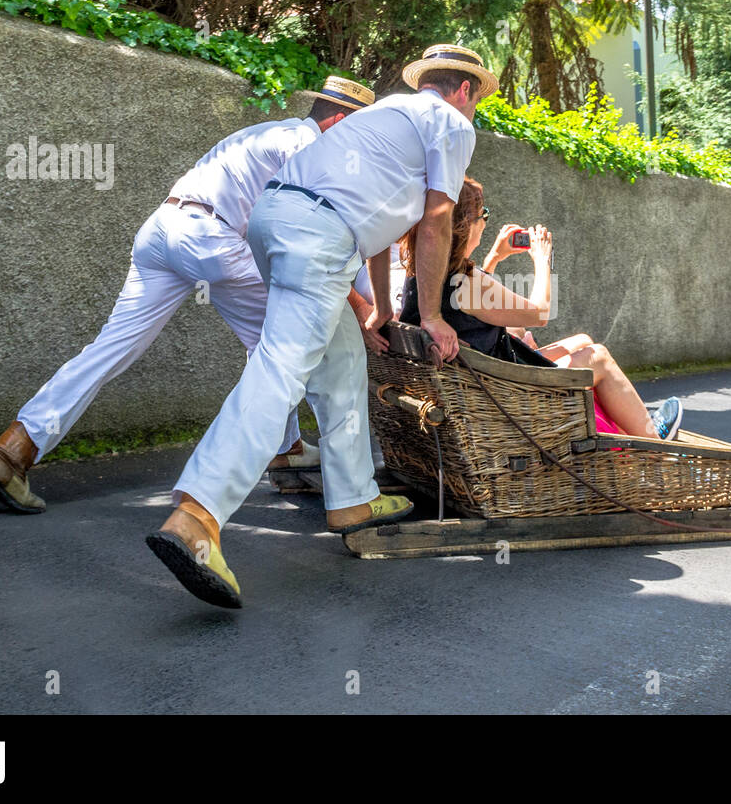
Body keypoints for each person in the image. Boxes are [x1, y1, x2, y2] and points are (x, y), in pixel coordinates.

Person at [147, 44, 498, 609]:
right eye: (476, 100)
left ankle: (353, 499)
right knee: (283, 368)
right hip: (321, 237)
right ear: (464, 91)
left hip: (277, 220)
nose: (474, 110)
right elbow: (436, 219)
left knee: (341, 365)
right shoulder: (452, 124)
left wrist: (382, 308)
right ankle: (197, 517)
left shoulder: (387, 114)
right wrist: (430, 315)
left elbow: (383, 231)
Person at [0, 77, 375, 514]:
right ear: (337, 120)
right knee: (283, 343)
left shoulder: (267, 131)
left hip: (164, 229)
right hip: (213, 239)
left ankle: (13, 450)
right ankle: (305, 466)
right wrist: (360, 303)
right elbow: (308, 236)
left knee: (110, 349)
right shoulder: (306, 145)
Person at [397, 178, 683, 441]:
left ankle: (624, 429)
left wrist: (494, 257)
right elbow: (540, 313)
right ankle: (654, 442)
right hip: (508, 393)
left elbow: (473, 312)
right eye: (483, 215)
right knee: (600, 358)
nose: (484, 222)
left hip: (483, 380)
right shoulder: (468, 283)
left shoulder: (421, 273)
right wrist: (542, 259)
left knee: (582, 341)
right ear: (464, 225)